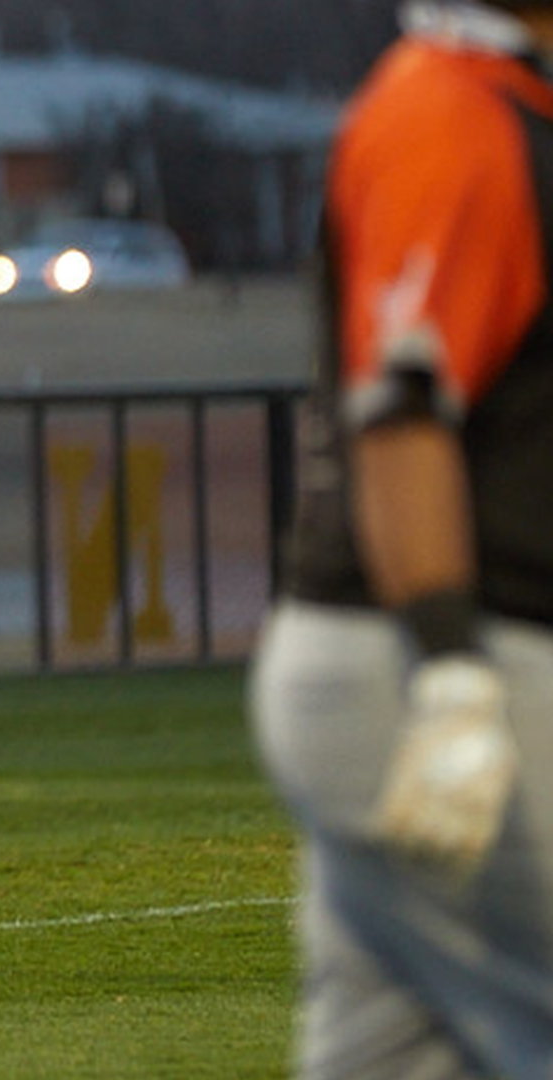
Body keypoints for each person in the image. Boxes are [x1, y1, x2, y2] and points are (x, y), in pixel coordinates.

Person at [250, 1, 553, 1075]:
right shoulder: (455, 108)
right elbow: (404, 413)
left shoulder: (494, 102)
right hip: (456, 651)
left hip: (404, 655)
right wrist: (453, 677)